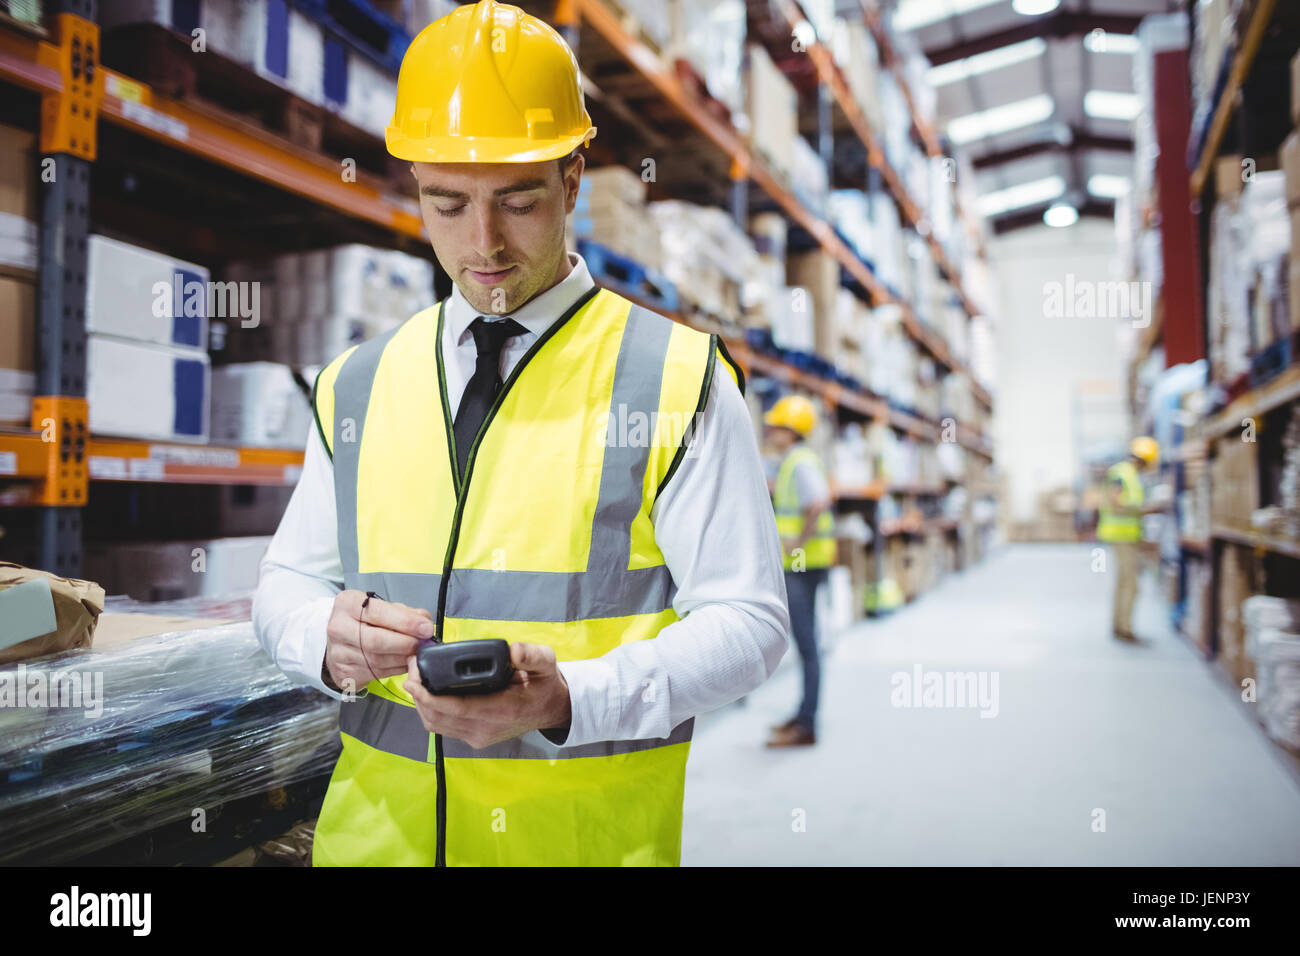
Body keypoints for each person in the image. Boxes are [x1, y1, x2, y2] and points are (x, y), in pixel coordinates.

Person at [251, 0, 789, 867]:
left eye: (519, 200)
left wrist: (568, 697)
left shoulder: (675, 379)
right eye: (447, 203)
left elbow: (750, 622)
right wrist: (322, 636)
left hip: (576, 848)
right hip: (375, 847)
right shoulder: (356, 382)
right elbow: (284, 581)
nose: (483, 243)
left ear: (574, 178)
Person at [761, 395, 835, 747]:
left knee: (807, 645)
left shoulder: (800, 461)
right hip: (804, 564)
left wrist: (798, 544)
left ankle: (806, 724)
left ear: (791, 430)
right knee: (805, 644)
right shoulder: (792, 460)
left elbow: (817, 502)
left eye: (776, 425)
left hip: (804, 566)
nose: (770, 430)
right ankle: (802, 714)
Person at [1098, 436, 1159, 642]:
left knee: (1123, 582)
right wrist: (1143, 510)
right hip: (1121, 536)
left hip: (1127, 536)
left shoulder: (1128, 473)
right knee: (1130, 584)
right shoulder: (1122, 474)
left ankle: (1119, 625)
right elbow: (1117, 503)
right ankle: (1124, 629)